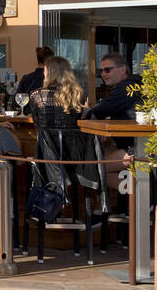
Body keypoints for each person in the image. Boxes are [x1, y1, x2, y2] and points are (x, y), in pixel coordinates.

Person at [30, 55, 103, 208]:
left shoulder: (37, 96)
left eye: (44, 70)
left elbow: (38, 127)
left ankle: (50, 207)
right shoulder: (78, 95)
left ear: (49, 72)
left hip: (49, 160)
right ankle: (87, 215)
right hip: (78, 160)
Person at [82, 52, 144, 120]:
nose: (103, 74)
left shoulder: (125, 89)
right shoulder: (136, 84)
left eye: (107, 70)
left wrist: (85, 111)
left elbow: (97, 113)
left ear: (122, 70)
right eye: (101, 71)